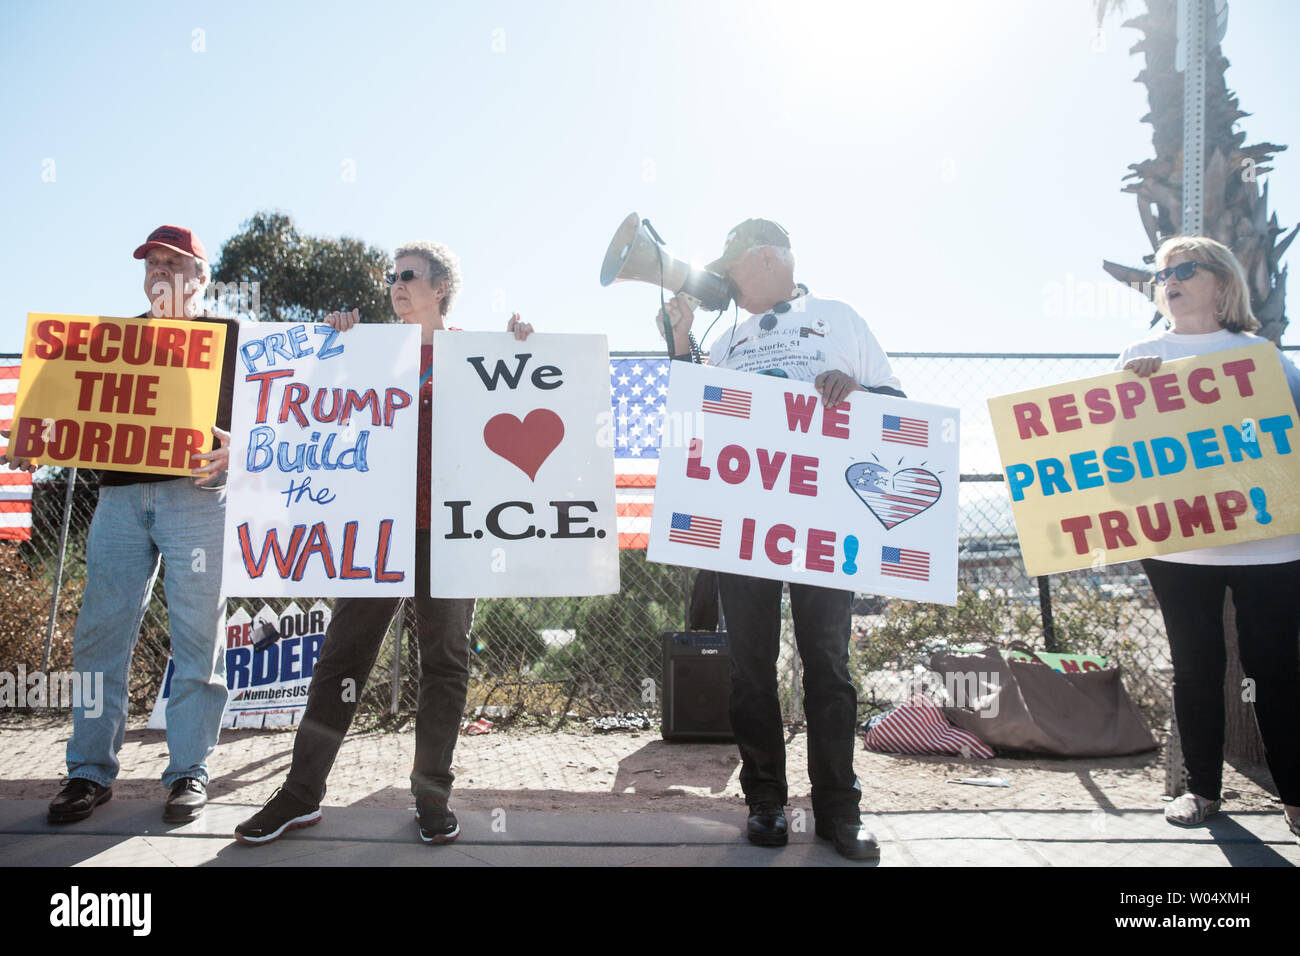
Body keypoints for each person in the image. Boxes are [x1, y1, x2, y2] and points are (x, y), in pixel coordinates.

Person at [234, 241, 533, 846]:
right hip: (377, 530)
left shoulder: (478, 352)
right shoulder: (368, 351)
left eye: (408, 276)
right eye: (391, 277)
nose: (395, 285)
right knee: (343, 659)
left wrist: (528, 347)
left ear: (441, 286)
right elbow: (311, 406)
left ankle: (430, 795)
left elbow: (529, 402)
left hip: (450, 531)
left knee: (444, 664)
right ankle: (301, 794)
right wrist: (331, 344)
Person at [661, 218, 903, 861]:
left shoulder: (839, 316)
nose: (726, 281)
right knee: (750, 669)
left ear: (767, 258)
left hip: (824, 521)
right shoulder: (727, 339)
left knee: (828, 666)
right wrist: (681, 341)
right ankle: (765, 802)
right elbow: (694, 420)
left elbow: (896, 405)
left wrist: (858, 394)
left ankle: (838, 812)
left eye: (732, 265)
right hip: (744, 524)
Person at [13, 225, 238, 824]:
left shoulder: (232, 338)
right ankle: (88, 772)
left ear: (201, 277)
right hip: (118, 499)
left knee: (197, 637)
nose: (161, 271)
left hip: (197, 498)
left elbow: (275, 423)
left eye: (175, 263)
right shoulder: (110, 342)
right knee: (99, 634)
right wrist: (37, 440)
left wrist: (239, 453)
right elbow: (62, 415)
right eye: (152, 263)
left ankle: (189, 771)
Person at [1118, 235, 1300, 843]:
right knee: (1194, 669)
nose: (1168, 280)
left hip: (1268, 545)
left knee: (1276, 669)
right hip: (1177, 546)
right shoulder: (1140, 353)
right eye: (1161, 272)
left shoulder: (1261, 354)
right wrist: (1130, 392)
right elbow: (1112, 451)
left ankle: (1295, 797)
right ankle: (1201, 790)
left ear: (1221, 283)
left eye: (1185, 269)